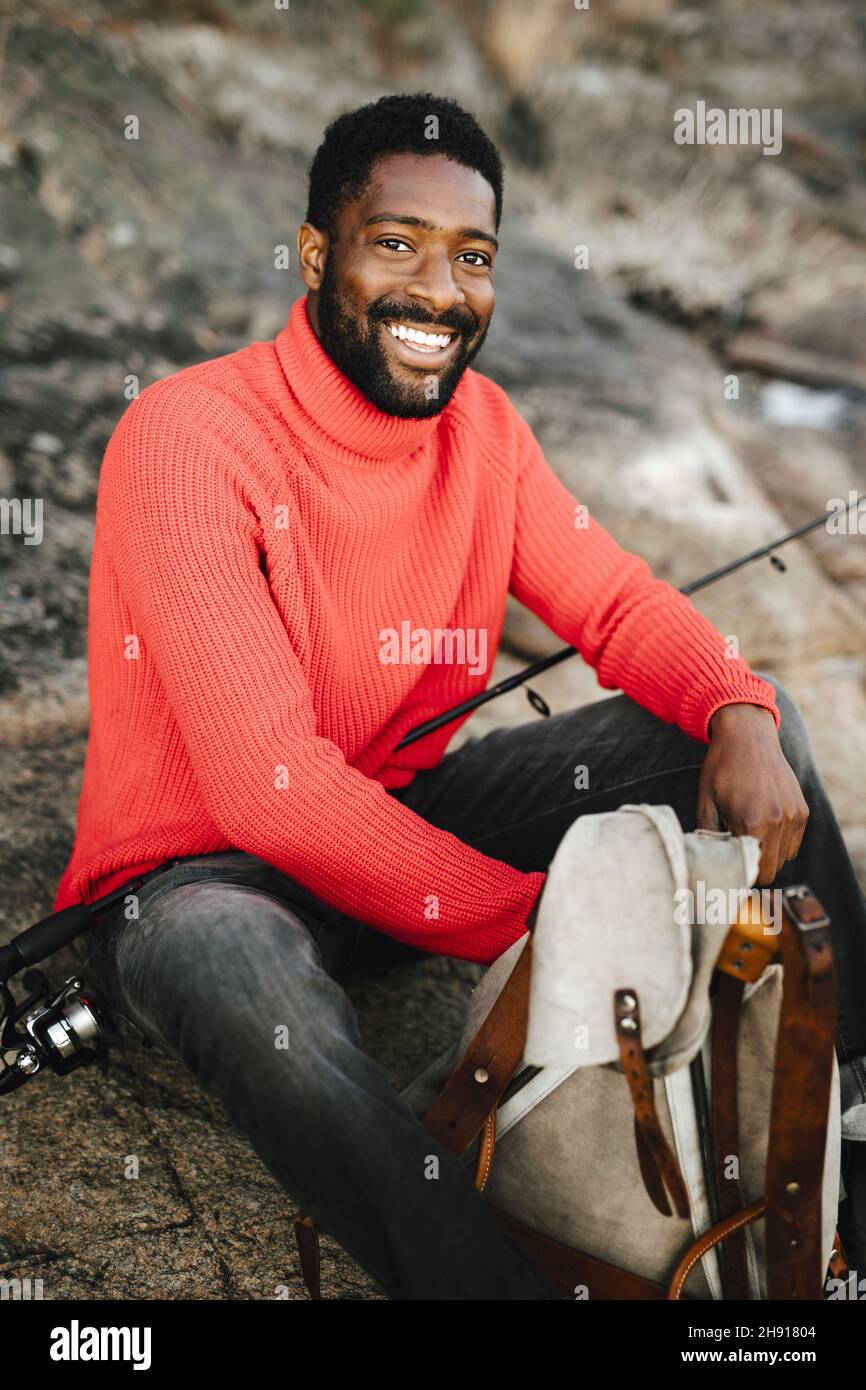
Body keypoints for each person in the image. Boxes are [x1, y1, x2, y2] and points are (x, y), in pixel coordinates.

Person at [56, 93, 866, 1298]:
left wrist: (737, 706)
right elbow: (268, 790)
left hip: (404, 819)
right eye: (396, 243)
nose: (438, 292)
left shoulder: (481, 429)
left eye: (471, 256)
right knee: (220, 952)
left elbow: (618, 606)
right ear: (318, 251)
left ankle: (842, 1108)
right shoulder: (188, 437)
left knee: (762, 733)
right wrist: (546, 925)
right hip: (208, 877)